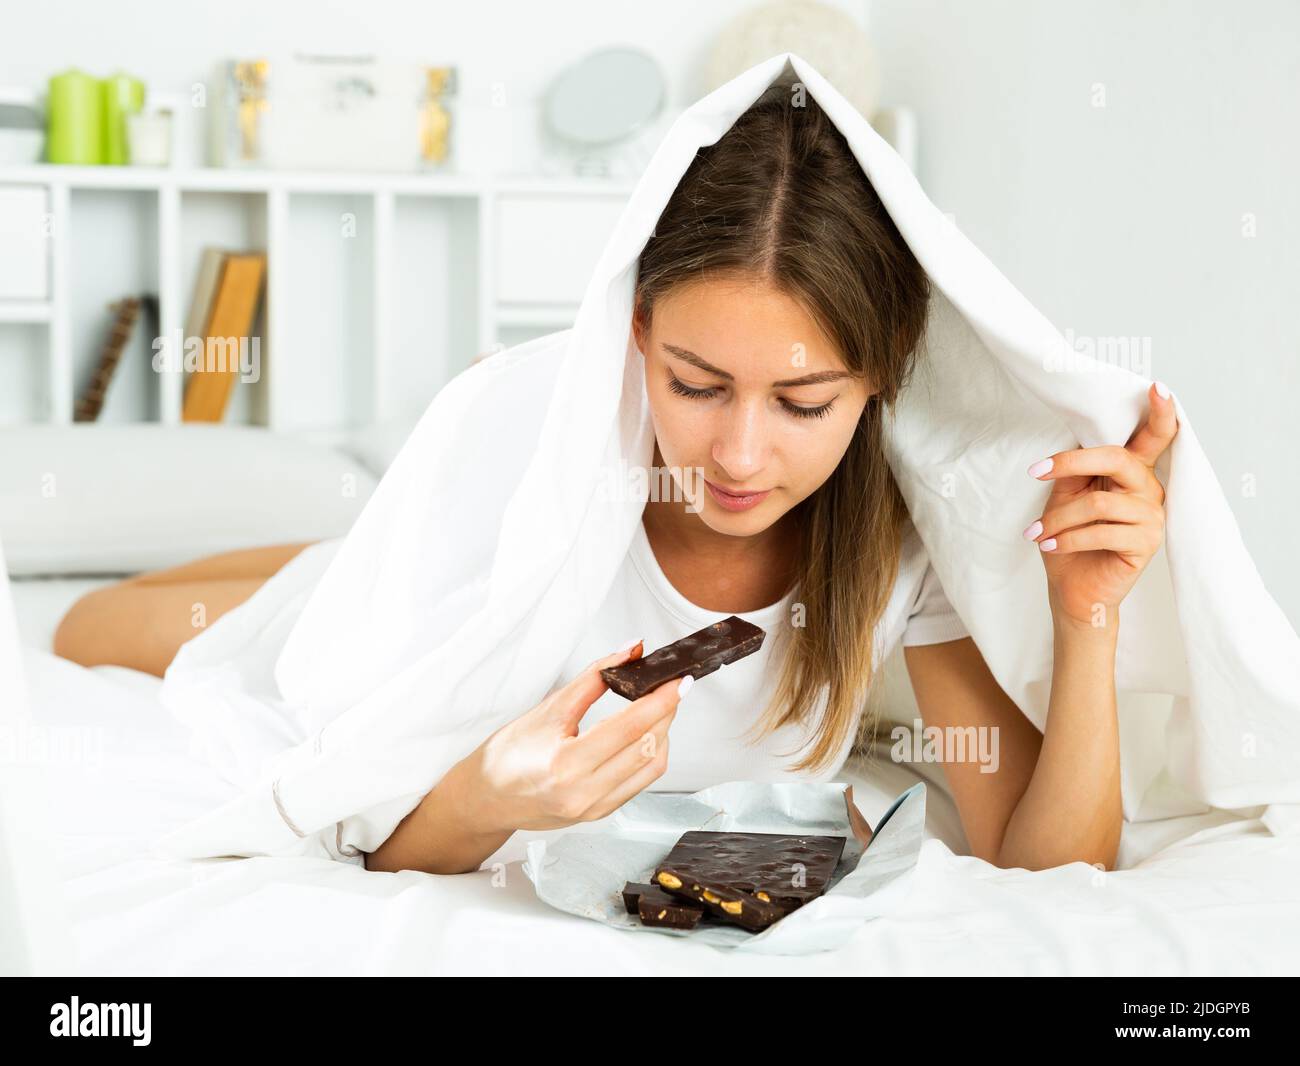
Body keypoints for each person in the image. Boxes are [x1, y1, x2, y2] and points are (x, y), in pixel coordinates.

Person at [55, 81, 1177, 877]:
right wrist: (494, 792)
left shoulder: (898, 527)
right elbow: (377, 825)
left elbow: (1050, 862)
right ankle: (320, 561)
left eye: (801, 403)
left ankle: (320, 553)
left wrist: (1086, 623)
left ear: (881, 377)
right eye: (695, 383)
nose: (739, 457)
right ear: (635, 330)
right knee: (91, 627)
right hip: (412, 592)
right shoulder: (525, 456)